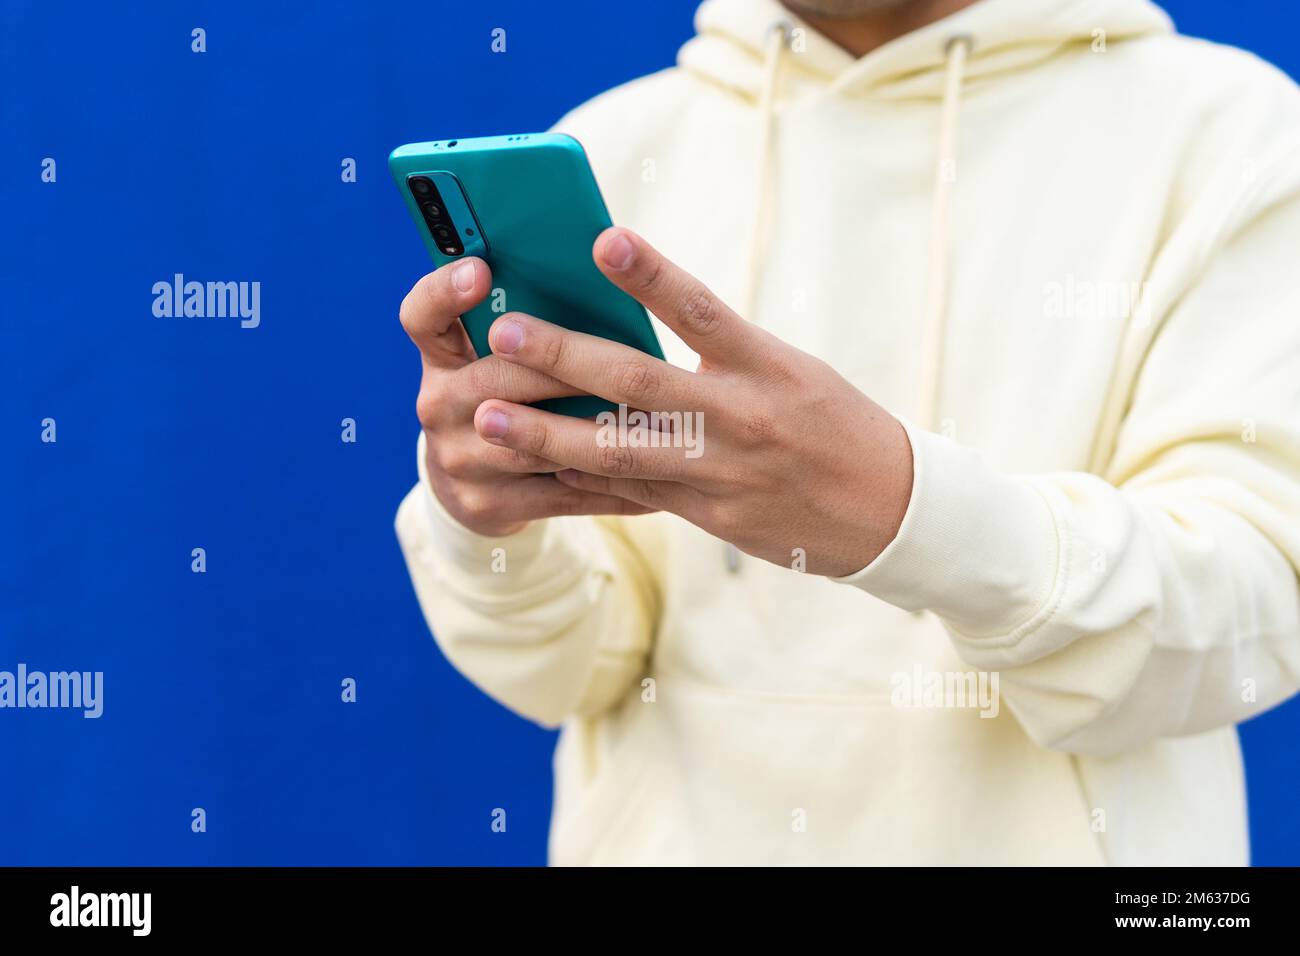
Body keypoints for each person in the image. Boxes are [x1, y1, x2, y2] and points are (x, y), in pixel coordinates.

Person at [394, 0, 1300, 865]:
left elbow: (1259, 598)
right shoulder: (619, 149)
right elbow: (564, 675)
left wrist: (905, 514)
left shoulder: (1230, 134)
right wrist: (486, 527)